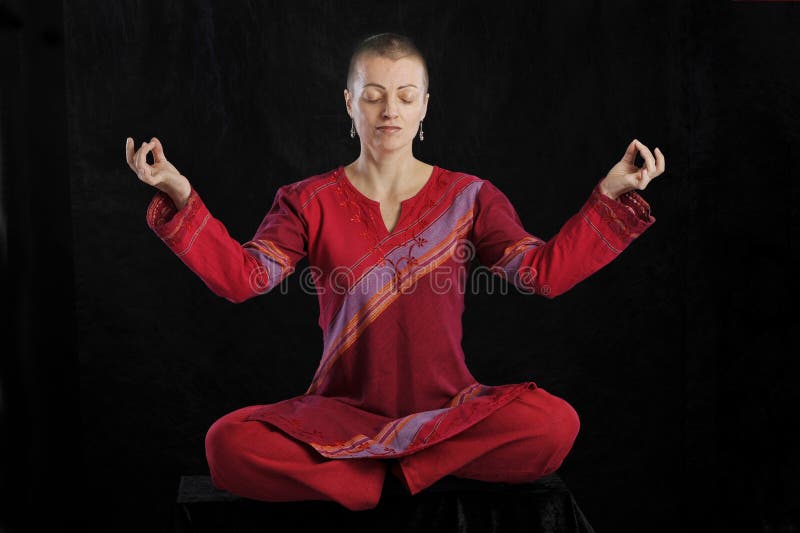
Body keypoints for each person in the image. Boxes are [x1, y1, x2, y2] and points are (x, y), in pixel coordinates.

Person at [125, 32, 666, 512]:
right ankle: (400, 470)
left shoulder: (470, 197)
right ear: (349, 102)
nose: (390, 111)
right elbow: (243, 278)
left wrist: (609, 195)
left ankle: (376, 470)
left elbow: (541, 273)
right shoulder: (306, 201)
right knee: (226, 443)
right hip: (341, 412)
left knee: (554, 424)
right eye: (373, 95)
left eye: (406, 96)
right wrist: (182, 195)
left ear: (425, 106)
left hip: (444, 411)